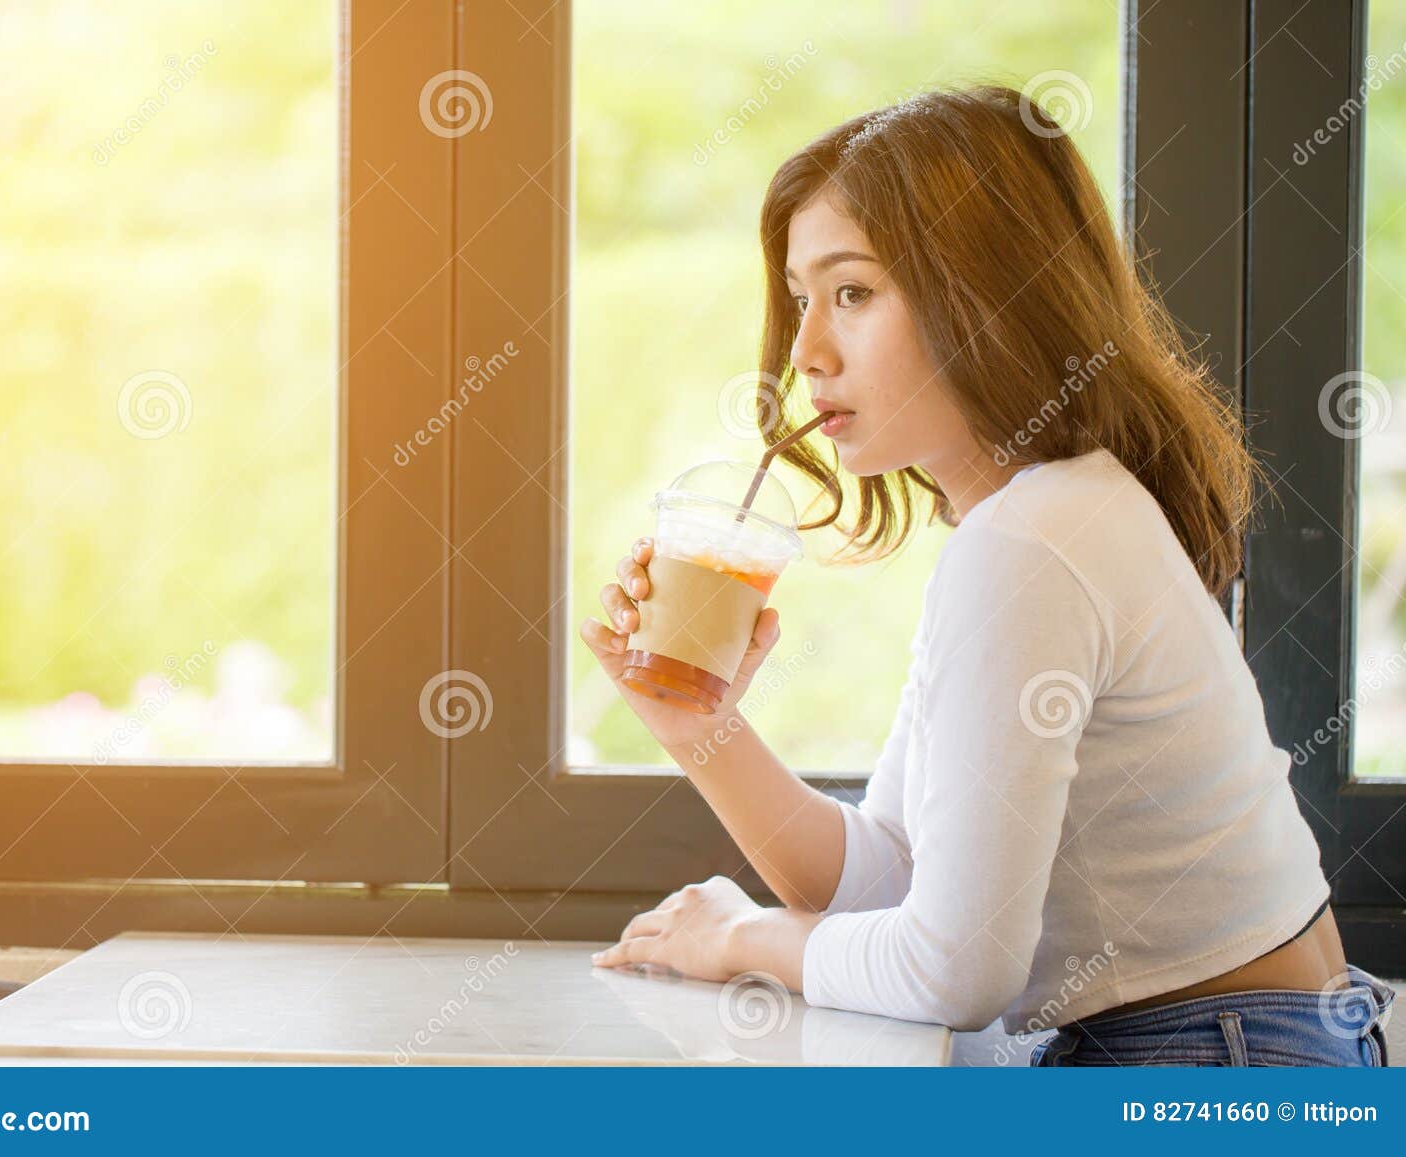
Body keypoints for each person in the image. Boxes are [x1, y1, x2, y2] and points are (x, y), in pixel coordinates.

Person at [579, 84, 1394, 1067]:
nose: (805, 353)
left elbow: (957, 970)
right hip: (1252, 1048)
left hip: (1216, 1064)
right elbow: (894, 876)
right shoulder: (1038, 517)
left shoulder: (1029, 543)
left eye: (852, 292)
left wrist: (738, 939)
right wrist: (699, 723)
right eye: (801, 300)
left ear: (987, 291)